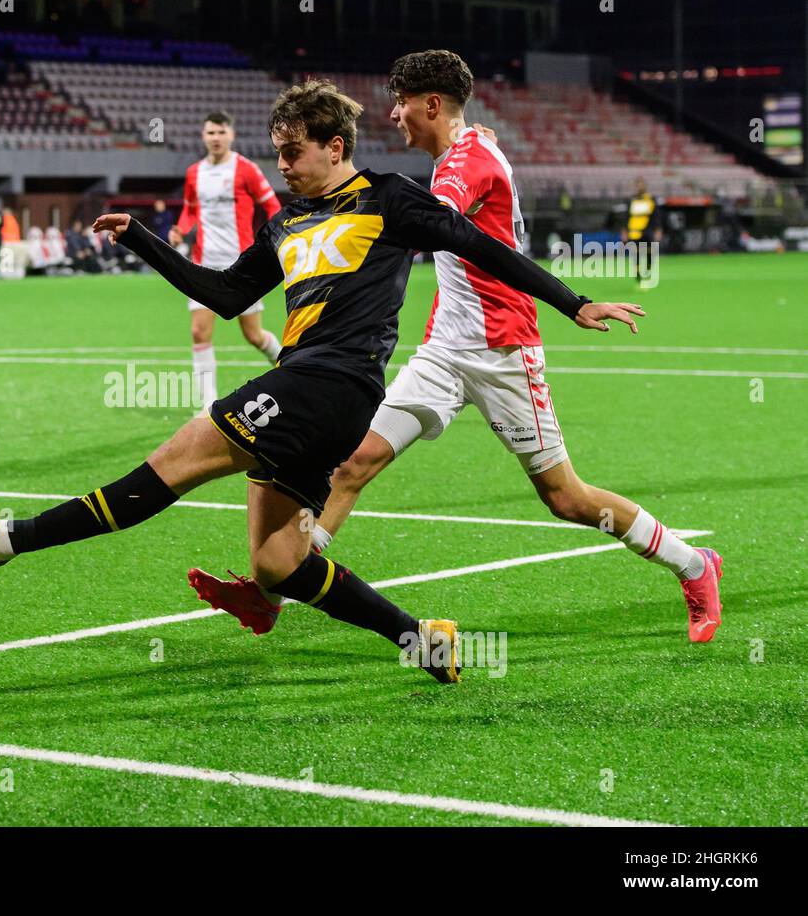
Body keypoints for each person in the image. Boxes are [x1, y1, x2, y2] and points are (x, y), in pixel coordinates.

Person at [0, 80, 641, 683]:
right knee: (277, 564)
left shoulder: (390, 197)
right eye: (277, 154)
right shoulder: (287, 222)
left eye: (293, 153)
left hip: (334, 384)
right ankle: (421, 640)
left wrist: (574, 302)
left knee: (175, 461)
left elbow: (484, 246)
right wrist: (141, 238)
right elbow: (227, 294)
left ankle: (4, 542)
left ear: (335, 146)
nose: (284, 166)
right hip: (307, 387)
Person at [304, 51, 722, 643]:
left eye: (401, 103)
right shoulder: (467, 148)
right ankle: (281, 584)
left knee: (567, 498)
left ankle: (695, 564)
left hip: (503, 352)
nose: (393, 115)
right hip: (443, 351)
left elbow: (431, 217)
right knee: (352, 464)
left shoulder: (463, 167)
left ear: (430, 104)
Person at [169, 111, 285, 408]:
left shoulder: (246, 169)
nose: (216, 138)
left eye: (221, 132)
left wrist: (276, 240)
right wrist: (180, 230)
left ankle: (284, 363)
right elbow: (190, 210)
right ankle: (207, 405)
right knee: (199, 332)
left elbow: (272, 205)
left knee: (253, 335)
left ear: (231, 135)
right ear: (203, 136)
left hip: (241, 265)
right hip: (204, 263)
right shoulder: (195, 172)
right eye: (210, 133)